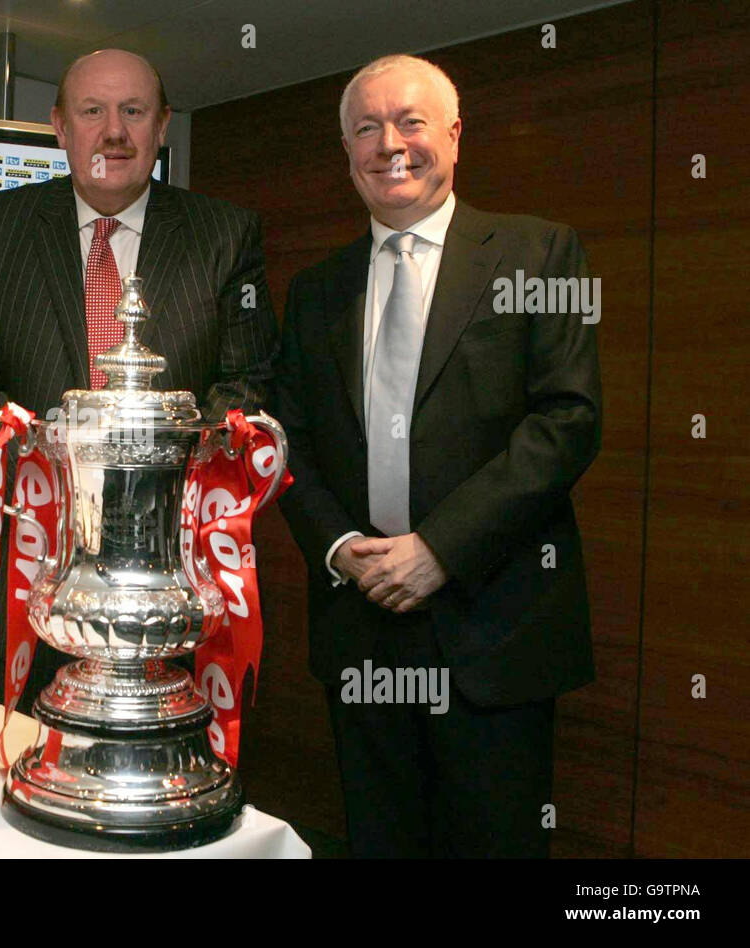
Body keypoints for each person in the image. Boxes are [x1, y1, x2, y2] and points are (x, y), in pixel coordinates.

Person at [273, 54, 601, 857]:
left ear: (454, 135)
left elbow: (568, 420)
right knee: (381, 842)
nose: (391, 144)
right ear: (347, 151)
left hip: (494, 626)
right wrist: (344, 550)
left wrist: (440, 552)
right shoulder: (317, 290)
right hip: (362, 625)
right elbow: (288, 442)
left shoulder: (540, 254)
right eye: (366, 128)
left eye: (411, 122)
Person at [0, 48, 277, 711]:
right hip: (23, 554)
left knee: (156, 765)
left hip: (170, 569)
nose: (113, 131)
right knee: (21, 764)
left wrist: (146, 490)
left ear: (163, 124)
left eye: (133, 111)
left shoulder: (224, 234)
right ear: (61, 126)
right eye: (93, 111)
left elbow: (246, 382)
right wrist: (51, 479)